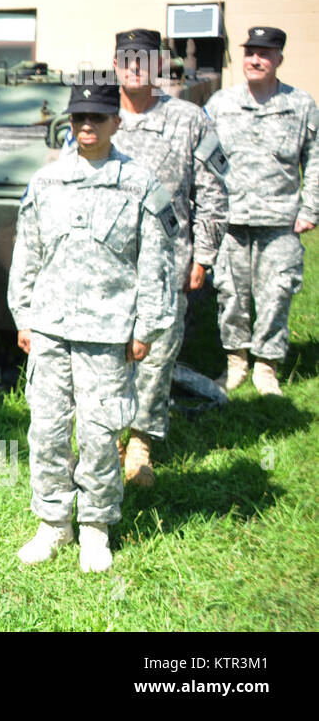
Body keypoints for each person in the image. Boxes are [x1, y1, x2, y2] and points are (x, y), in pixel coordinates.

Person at [8, 80, 177, 573]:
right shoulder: (46, 182)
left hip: (108, 334)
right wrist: (23, 315)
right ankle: (53, 523)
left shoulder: (139, 183)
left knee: (101, 435)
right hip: (51, 329)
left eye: (97, 118)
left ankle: (96, 528)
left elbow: (156, 263)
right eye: (79, 118)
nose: (86, 126)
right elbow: (28, 254)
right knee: (47, 431)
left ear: (115, 123)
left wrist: (147, 326)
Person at [109, 29, 227, 485]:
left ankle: (140, 442)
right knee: (110, 356)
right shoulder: (96, 115)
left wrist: (205, 253)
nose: (135, 66)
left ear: (160, 65)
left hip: (166, 263)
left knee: (156, 358)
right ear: (115, 63)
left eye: (145, 59)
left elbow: (214, 191)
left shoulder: (190, 119)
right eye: (127, 58)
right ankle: (107, 435)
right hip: (105, 268)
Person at [204, 27, 318, 395]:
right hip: (231, 219)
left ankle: (266, 367)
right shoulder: (221, 103)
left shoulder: (300, 105)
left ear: (279, 59)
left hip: (280, 219)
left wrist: (310, 208)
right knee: (230, 294)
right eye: (250, 52)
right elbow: (206, 157)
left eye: (264, 53)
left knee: (276, 293)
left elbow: (314, 160)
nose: (255, 59)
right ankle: (236, 363)